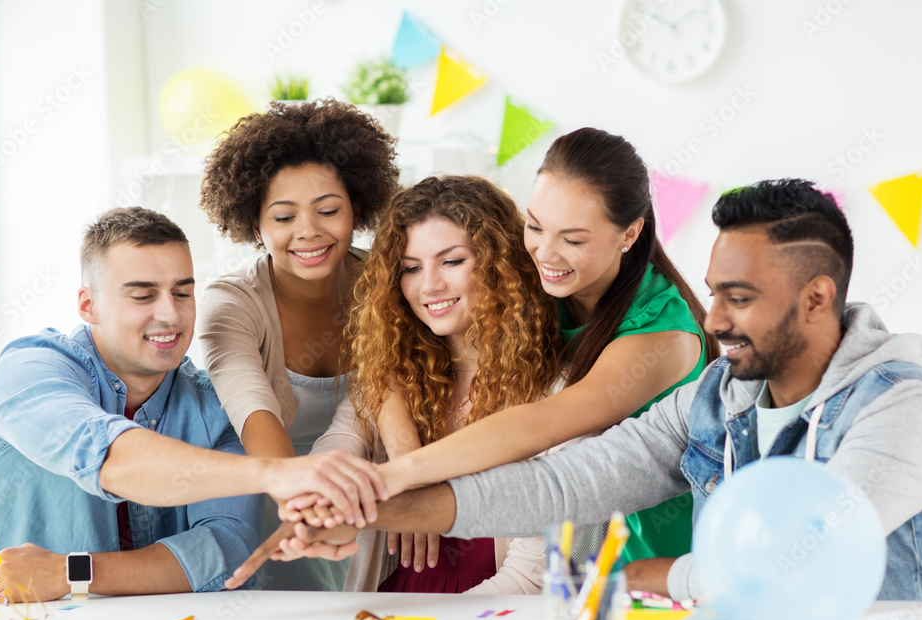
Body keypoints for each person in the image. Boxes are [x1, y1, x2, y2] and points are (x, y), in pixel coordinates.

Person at [268, 179, 922, 602]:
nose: (714, 320)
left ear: (817, 298)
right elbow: (562, 485)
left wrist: (656, 575)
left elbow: (801, 558)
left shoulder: (900, 402)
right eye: (715, 293)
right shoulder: (714, 397)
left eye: (740, 298)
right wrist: (365, 511)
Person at [292, 127, 717, 569]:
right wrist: (403, 450)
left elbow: (541, 423)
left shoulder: (662, 338)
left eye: (573, 240)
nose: (545, 254)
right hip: (578, 551)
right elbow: (394, 356)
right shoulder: (541, 283)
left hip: (653, 561)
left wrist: (396, 479)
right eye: (535, 226)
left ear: (629, 234)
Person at [0, 207, 386, 601]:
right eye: (143, 296)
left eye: (182, 293)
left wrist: (73, 573)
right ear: (89, 306)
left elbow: (227, 549)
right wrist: (279, 472)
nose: (170, 314)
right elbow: (113, 459)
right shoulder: (29, 372)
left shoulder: (213, 408)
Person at [306, 175, 561, 593]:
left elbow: (530, 576)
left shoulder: (553, 386)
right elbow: (336, 449)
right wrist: (327, 495)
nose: (429, 285)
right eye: (411, 268)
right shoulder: (392, 377)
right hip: (394, 610)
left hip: (490, 616)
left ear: (502, 265)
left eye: (452, 261)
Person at [196, 99, 400, 590]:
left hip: (372, 489)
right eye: (284, 217)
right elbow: (253, 409)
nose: (308, 231)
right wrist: (302, 502)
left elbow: (389, 395)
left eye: (328, 210)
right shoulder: (231, 303)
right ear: (254, 224)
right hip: (277, 494)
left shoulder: (391, 283)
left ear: (356, 208)